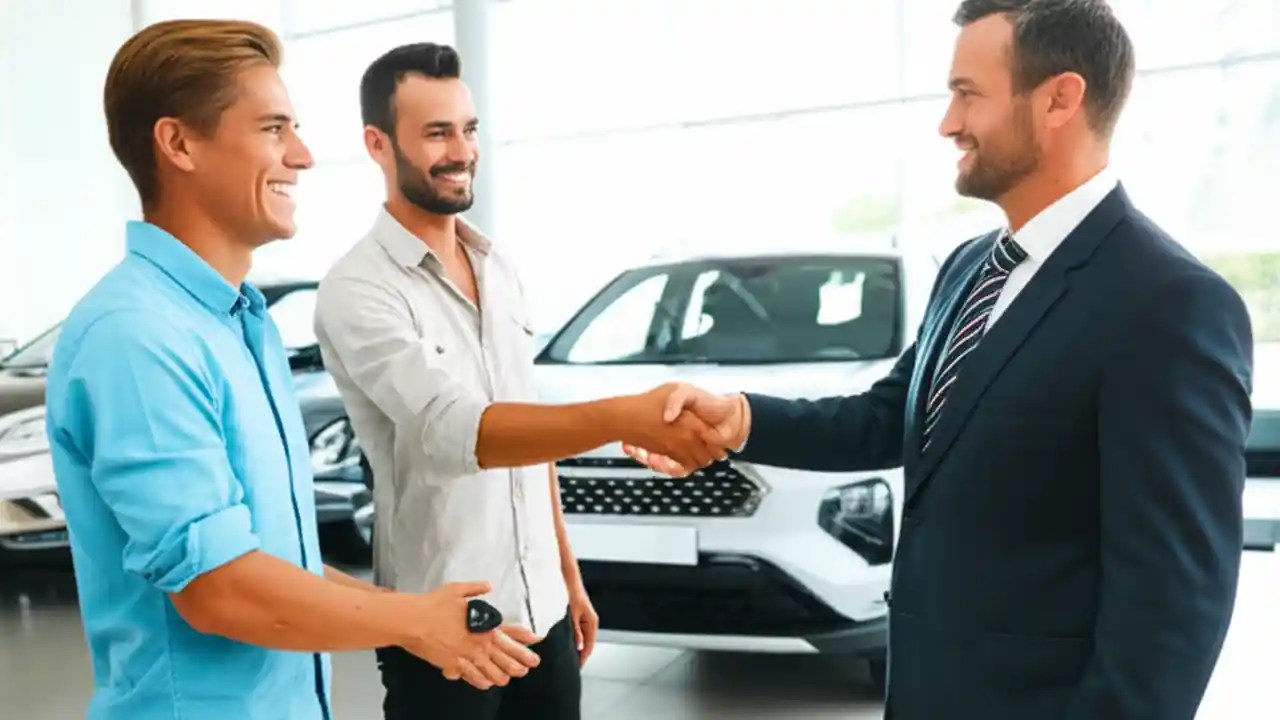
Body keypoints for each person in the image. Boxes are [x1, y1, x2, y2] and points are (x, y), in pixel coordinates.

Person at [626, 1, 1255, 718]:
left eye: (967, 94)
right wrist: (738, 419)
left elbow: (1174, 600)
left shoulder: (1169, 303)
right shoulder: (969, 267)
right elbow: (889, 417)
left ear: (1060, 99)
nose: (948, 123)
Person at [45, 21, 540, 720]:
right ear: (178, 143)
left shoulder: (236, 324)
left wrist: (415, 615)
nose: (303, 156)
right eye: (274, 129)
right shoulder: (138, 336)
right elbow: (222, 590)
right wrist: (411, 623)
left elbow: (280, 560)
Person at [312, 43, 725, 720]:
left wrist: (567, 574)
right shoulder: (359, 289)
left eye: (468, 130)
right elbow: (458, 432)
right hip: (447, 632)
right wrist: (623, 415)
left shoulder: (497, 266)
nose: (462, 152)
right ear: (377, 144)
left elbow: (524, 430)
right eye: (437, 133)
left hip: (544, 614)